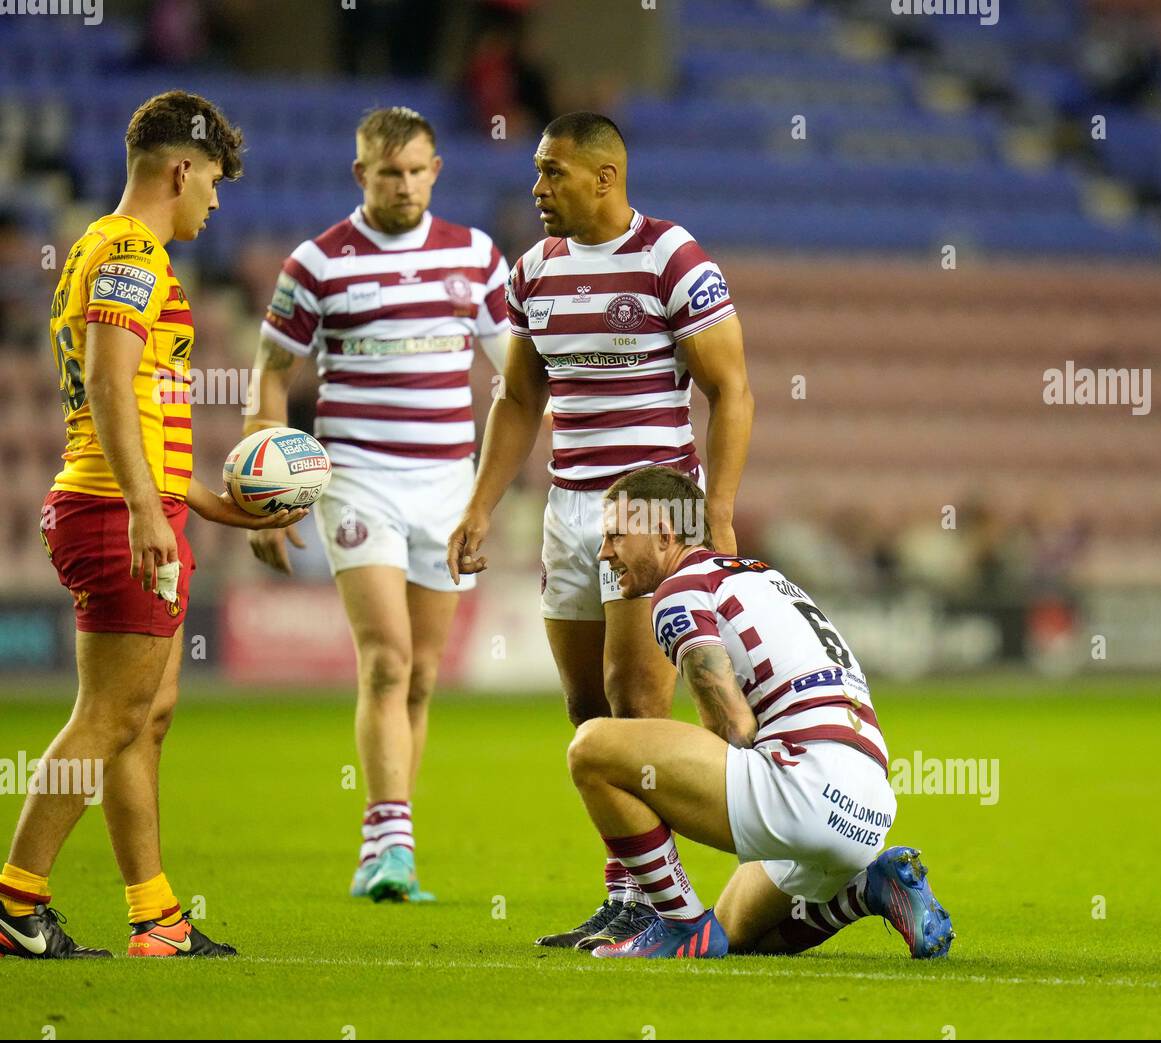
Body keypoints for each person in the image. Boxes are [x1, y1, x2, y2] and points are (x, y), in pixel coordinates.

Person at [0, 90, 307, 960]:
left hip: (125, 499)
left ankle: (156, 918)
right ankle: (16, 902)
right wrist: (144, 508)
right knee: (107, 714)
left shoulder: (106, 248)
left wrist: (204, 502)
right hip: (111, 505)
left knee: (145, 713)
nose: (215, 199)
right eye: (211, 180)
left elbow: (130, 397)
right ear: (180, 169)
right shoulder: (134, 252)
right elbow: (106, 380)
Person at [447, 112, 754, 949]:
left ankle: (663, 902)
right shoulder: (532, 272)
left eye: (553, 173)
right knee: (587, 713)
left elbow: (730, 388)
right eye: (538, 174)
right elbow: (519, 400)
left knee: (637, 702)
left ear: (604, 177)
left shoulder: (671, 256)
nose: (538, 189)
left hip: (654, 507)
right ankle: (632, 892)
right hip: (569, 507)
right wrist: (481, 505)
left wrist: (715, 510)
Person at [247, 107, 511, 903]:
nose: (403, 184)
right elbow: (269, 373)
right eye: (387, 172)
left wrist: (492, 494)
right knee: (388, 657)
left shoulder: (477, 256)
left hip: (448, 484)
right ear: (360, 174)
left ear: (437, 170)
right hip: (358, 476)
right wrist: (268, 491)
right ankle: (392, 843)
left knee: (424, 673)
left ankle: (384, 843)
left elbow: (518, 379)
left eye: (417, 170)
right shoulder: (318, 264)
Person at [565, 466, 954, 959]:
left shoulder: (679, 590)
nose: (604, 552)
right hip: (869, 806)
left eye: (615, 535)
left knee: (593, 747)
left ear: (663, 533)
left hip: (801, 785)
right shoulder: (765, 576)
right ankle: (869, 889)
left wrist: (678, 784)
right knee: (735, 933)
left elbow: (730, 722)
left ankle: (680, 925)